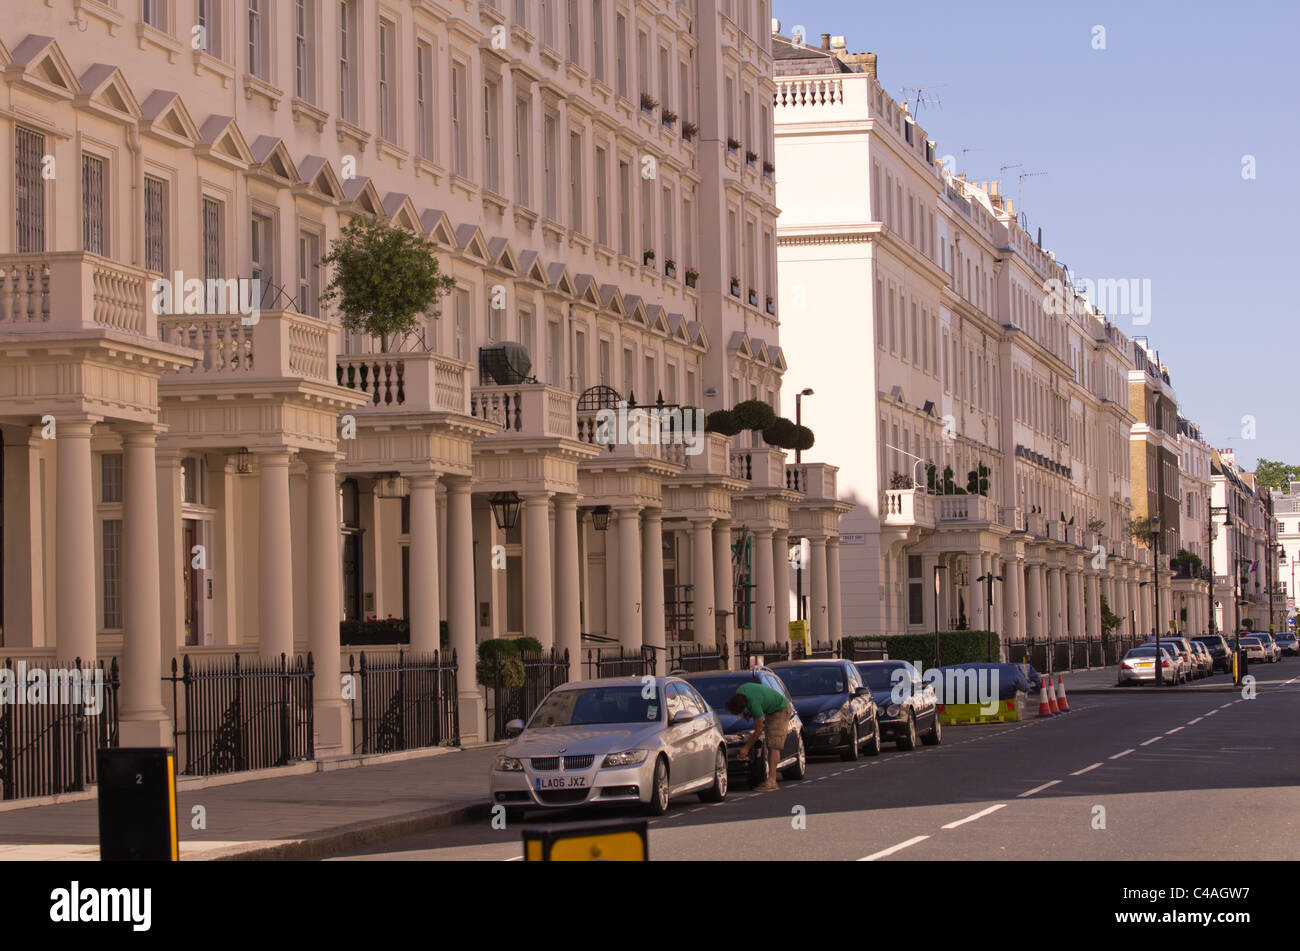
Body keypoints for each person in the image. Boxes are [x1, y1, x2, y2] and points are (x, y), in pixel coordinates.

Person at [725, 681, 791, 792]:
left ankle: (772, 781)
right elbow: (757, 699)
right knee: (770, 744)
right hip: (770, 709)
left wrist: (746, 748)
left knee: (773, 745)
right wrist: (748, 713)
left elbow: (758, 730)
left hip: (781, 709)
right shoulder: (741, 690)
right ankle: (770, 779)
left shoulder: (754, 704)